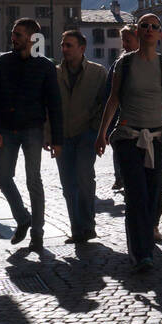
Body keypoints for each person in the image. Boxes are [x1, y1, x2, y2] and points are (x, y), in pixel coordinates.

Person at [95, 13, 162, 270]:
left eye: (154, 26)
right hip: (128, 138)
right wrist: (102, 133)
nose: (149, 29)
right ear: (138, 32)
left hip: (157, 138)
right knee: (136, 195)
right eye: (144, 26)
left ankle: (145, 241)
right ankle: (141, 253)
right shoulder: (125, 64)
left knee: (152, 195)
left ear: (160, 34)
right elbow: (113, 99)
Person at [0, 17, 63, 250]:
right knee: (2, 177)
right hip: (7, 130)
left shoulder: (45, 66)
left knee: (34, 181)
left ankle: (37, 233)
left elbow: (54, 104)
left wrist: (56, 138)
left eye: (18, 34)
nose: (13, 38)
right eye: (13, 33)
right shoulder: (3, 63)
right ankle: (23, 218)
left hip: (33, 129)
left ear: (31, 38)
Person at [53, 29, 108, 244]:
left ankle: (88, 226)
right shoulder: (54, 73)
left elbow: (105, 104)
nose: (64, 49)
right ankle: (77, 230)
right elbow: (49, 107)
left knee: (84, 180)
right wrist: (50, 135)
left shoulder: (98, 72)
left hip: (87, 134)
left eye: (69, 45)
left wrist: (98, 130)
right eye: (63, 45)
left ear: (82, 48)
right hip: (63, 137)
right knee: (68, 185)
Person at [108, 24, 140, 192]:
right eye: (123, 41)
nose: (124, 45)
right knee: (120, 148)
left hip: (144, 119)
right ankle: (120, 177)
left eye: (128, 40)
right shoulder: (118, 65)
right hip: (122, 118)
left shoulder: (154, 63)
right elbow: (109, 95)